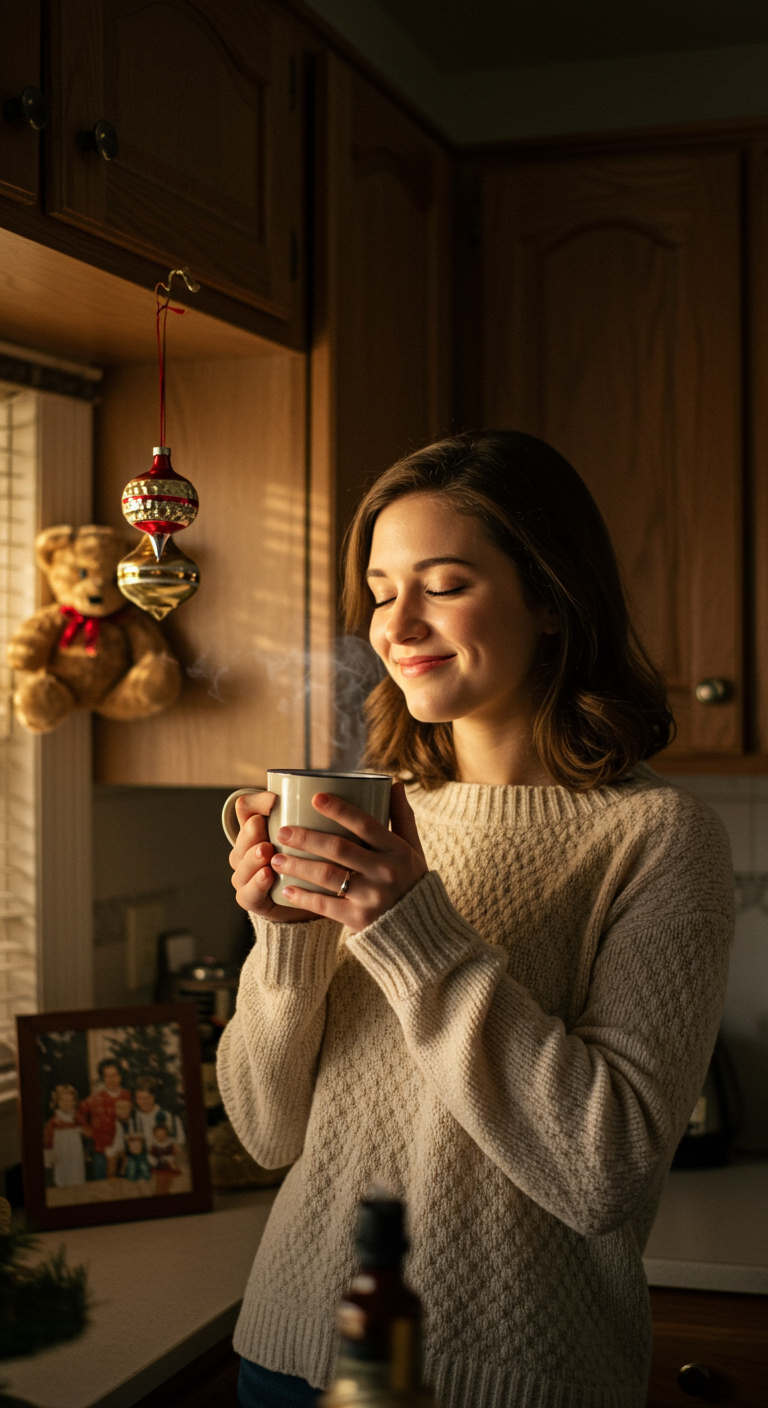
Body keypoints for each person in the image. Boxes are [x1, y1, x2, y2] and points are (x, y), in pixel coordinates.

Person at [219, 432, 734, 1408]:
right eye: (379, 590)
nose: (397, 623)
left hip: (513, 1384)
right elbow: (265, 1130)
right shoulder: (380, 819)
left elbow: (604, 1170)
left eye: (443, 583)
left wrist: (410, 925)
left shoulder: (658, 837)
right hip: (288, 1356)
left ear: (549, 596)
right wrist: (285, 939)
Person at [77, 1059, 130, 1180]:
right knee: (102, 1184)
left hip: (124, 1150)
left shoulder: (126, 1095)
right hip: (101, 1150)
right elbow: (79, 1113)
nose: (111, 1079)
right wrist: (86, 1129)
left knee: (125, 1183)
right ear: (103, 1078)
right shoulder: (95, 1098)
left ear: (120, 1077)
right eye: (107, 1076)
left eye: (114, 1075)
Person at [43, 1084, 87, 1188]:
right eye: (63, 1101)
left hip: (75, 1151)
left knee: (77, 1173)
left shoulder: (77, 1117)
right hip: (61, 1152)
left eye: (70, 1100)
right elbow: (48, 1138)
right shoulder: (54, 1121)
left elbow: (85, 1129)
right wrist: (49, 1155)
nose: (67, 1103)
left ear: (74, 1102)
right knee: (62, 1175)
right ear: (57, 1102)